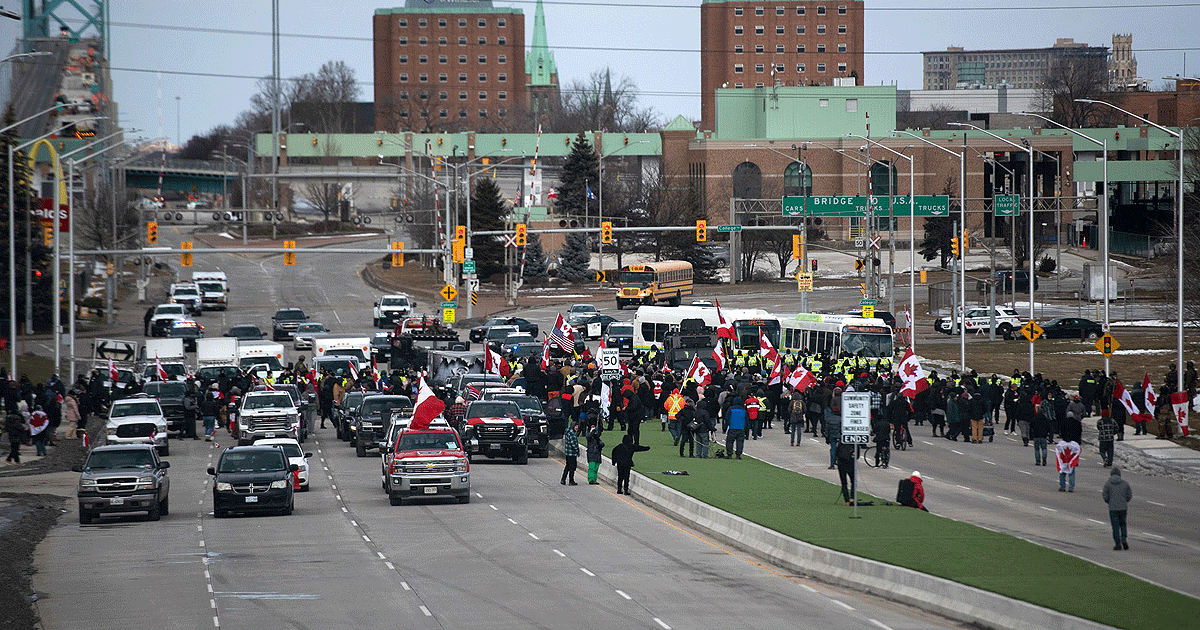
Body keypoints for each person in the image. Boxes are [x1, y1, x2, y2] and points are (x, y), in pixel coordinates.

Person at [1102, 466, 1132, 550]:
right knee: (1123, 524)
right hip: (1123, 508)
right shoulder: (1125, 483)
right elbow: (1129, 495)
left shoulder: (1108, 483)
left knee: (1115, 526)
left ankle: (1117, 543)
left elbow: (1105, 496)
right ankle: (1123, 538)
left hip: (1113, 508)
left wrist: (1110, 502)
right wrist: (1124, 501)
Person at [835, 440, 856, 505]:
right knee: (853, 481)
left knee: (844, 483)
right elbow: (856, 455)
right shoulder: (854, 443)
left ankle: (846, 500)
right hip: (851, 463)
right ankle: (852, 497)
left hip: (841, 463)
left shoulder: (841, 443)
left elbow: (836, 453)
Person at [1030, 400, 1051, 466]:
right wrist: (1048, 433)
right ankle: (1044, 458)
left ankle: (1038, 461)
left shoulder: (1034, 418)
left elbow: (1031, 426)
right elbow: (1049, 427)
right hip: (1043, 435)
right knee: (1044, 448)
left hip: (1036, 435)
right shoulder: (1045, 419)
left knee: (1037, 449)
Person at [560, 419, 580, 485]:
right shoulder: (572, 434)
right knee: (572, 467)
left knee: (567, 466)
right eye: (575, 426)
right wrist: (577, 450)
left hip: (568, 452)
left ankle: (563, 479)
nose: (577, 428)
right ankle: (571, 480)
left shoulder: (568, 432)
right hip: (572, 453)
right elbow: (573, 444)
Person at [585, 420, 605, 485]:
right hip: (591, 453)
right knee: (592, 467)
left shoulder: (596, 435)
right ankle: (591, 479)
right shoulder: (588, 433)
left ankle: (594, 479)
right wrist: (592, 432)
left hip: (597, 453)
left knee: (596, 468)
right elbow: (588, 437)